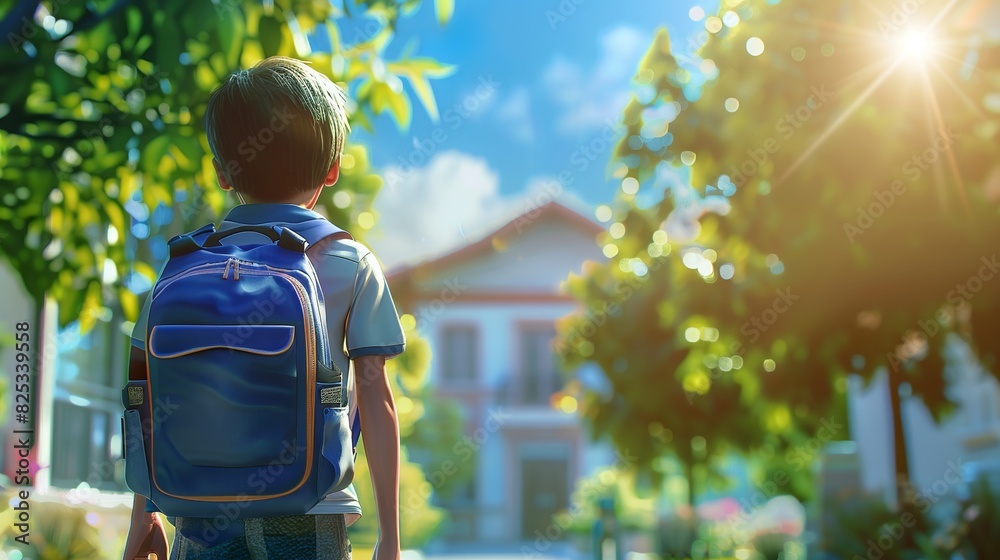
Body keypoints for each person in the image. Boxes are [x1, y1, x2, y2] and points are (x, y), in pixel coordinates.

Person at [122, 56, 405, 560]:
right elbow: (376, 397)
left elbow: (146, 397)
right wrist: (390, 538)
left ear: (223, 173)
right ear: (333, 167)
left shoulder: (180, 268)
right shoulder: (350, 261)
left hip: (198, 510)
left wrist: (144, 516)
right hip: (311, 509)